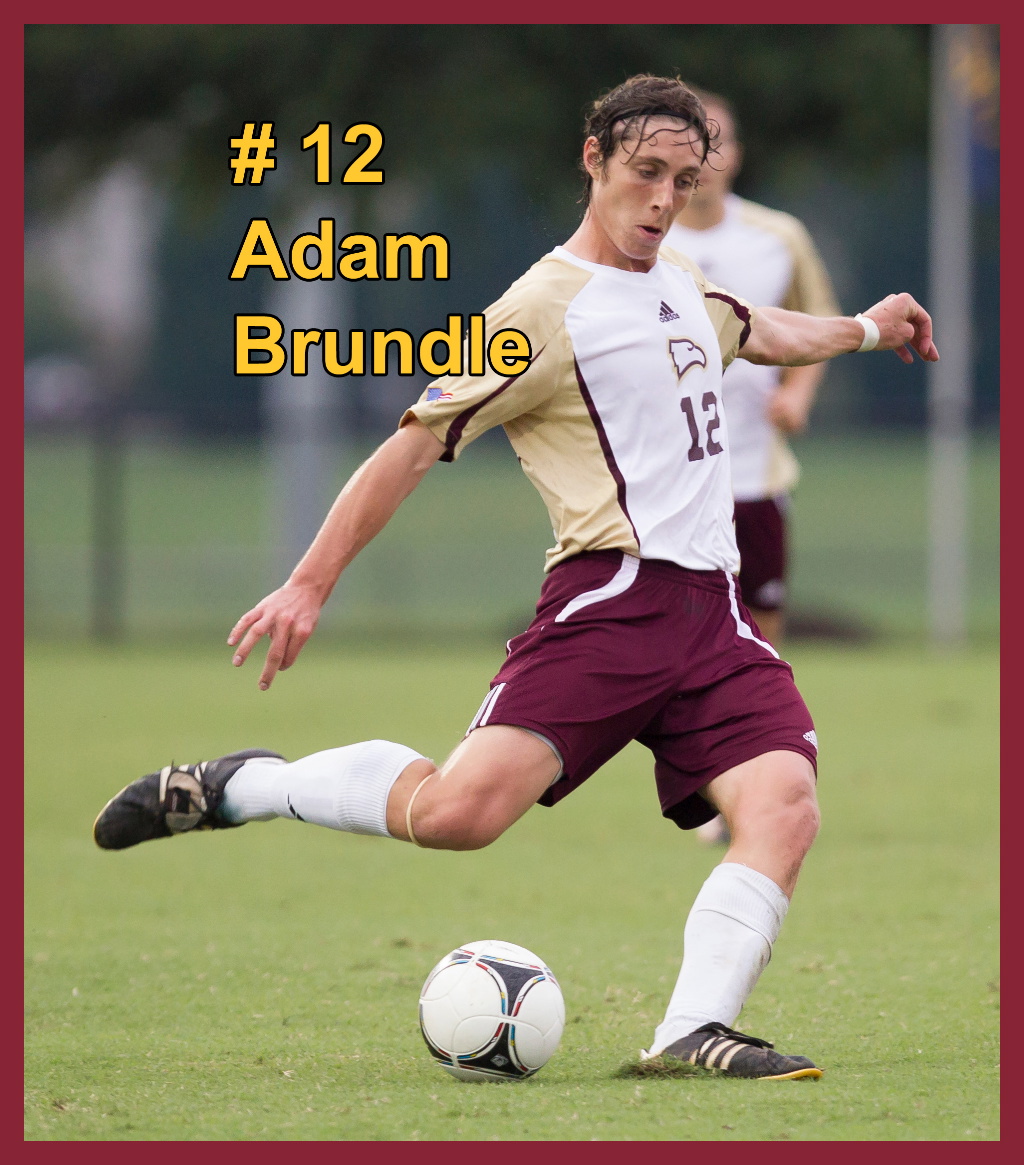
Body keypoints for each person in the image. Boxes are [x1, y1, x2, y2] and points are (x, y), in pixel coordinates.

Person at [93, 75, 937, 1080]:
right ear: (593, 161)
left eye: (682, 177)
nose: (664, 199)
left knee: (784, 803)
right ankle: (245, 785)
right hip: (608, 604)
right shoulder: (538, 311)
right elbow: (410, 445)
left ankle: (690, 1029)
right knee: (459, 816)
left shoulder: (680, 282)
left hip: (712, 615)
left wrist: (869, 329)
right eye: (644, 174)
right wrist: (310, 582)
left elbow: (760, 330)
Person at [663, 89, 840, 847]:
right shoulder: (647, 239)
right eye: (691, 144)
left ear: (733, 155)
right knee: (677, 635)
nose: (706, 158)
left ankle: (749, 770)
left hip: (757, 476)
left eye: (718, 141)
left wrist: (797, 392)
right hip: (671, 486)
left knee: (759, 636)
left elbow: (816, 324)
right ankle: (707, 774)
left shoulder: (778, 237)